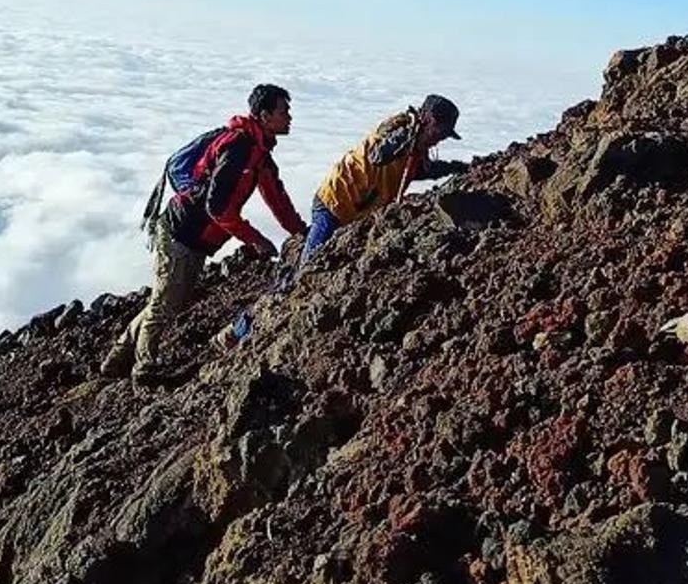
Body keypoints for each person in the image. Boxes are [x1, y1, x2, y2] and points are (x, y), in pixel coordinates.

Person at [100, 83, 308, 383]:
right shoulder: (238, 149)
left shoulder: (260, 155)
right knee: (165, 302)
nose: (290, 117)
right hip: (178, 231)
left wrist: (301, 232)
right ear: (264, 116)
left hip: (197, 238)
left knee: (173, 301)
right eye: (283, 111)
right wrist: (255, 239)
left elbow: (277, 199)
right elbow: (218, 208)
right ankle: (145, 368)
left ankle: (116, 359)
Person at [303, 94, 470, 259]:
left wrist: (455, 167)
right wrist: (406, 138)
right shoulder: (397, 128)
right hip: (334, 201)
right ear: (427, 120)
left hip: (356, 212)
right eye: (439, 133)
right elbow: (378, 156)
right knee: (312, 259)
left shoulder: (419, 147)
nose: (438, 140)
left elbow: (420, 171)